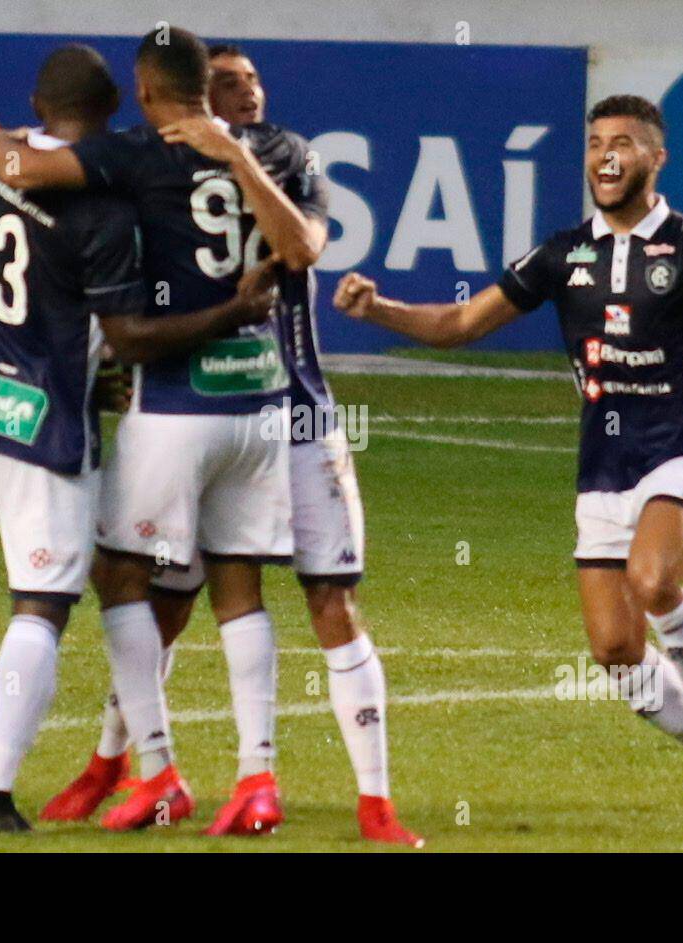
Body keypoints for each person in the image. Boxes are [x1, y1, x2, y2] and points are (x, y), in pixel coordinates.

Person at [333, 94, 683, 807]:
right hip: (604, 463)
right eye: (596, 141)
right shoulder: (562, 254)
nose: (605, 155)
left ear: (655, 159)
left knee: (652, 578)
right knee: (612, 647)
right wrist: (380, 309)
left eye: (624, 143)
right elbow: (459, 321)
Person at [0, 44, 274, 832]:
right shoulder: (104, 208)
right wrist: (225, 316)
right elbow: (129, 335)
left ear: (39, 105)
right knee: (40, 604)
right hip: (45, 423)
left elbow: (27, 177)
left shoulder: (5, 161)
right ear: (116, 110)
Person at [39, 43, 422, 846]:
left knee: (324, 598)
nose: (242, 93)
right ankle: (127, 763)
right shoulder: (156, 159)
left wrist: (236, 155)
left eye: (250, 82)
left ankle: (366, 801)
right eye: (224, 84)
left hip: (291, 411)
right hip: (236, 406)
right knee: (181, 598)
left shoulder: (285, 154)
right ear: (195, 93)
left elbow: (303, 250)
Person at [0, 27, 322, 832]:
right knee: (240, 583)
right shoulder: (270, 149)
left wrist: (2, 141)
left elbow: (27, 168)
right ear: (209, 84)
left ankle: (161, 767)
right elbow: (305, 250)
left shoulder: (138, 154)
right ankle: (257, 778)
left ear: (144, 89)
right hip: (262, 401)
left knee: (119, 574)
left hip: (177, 402)